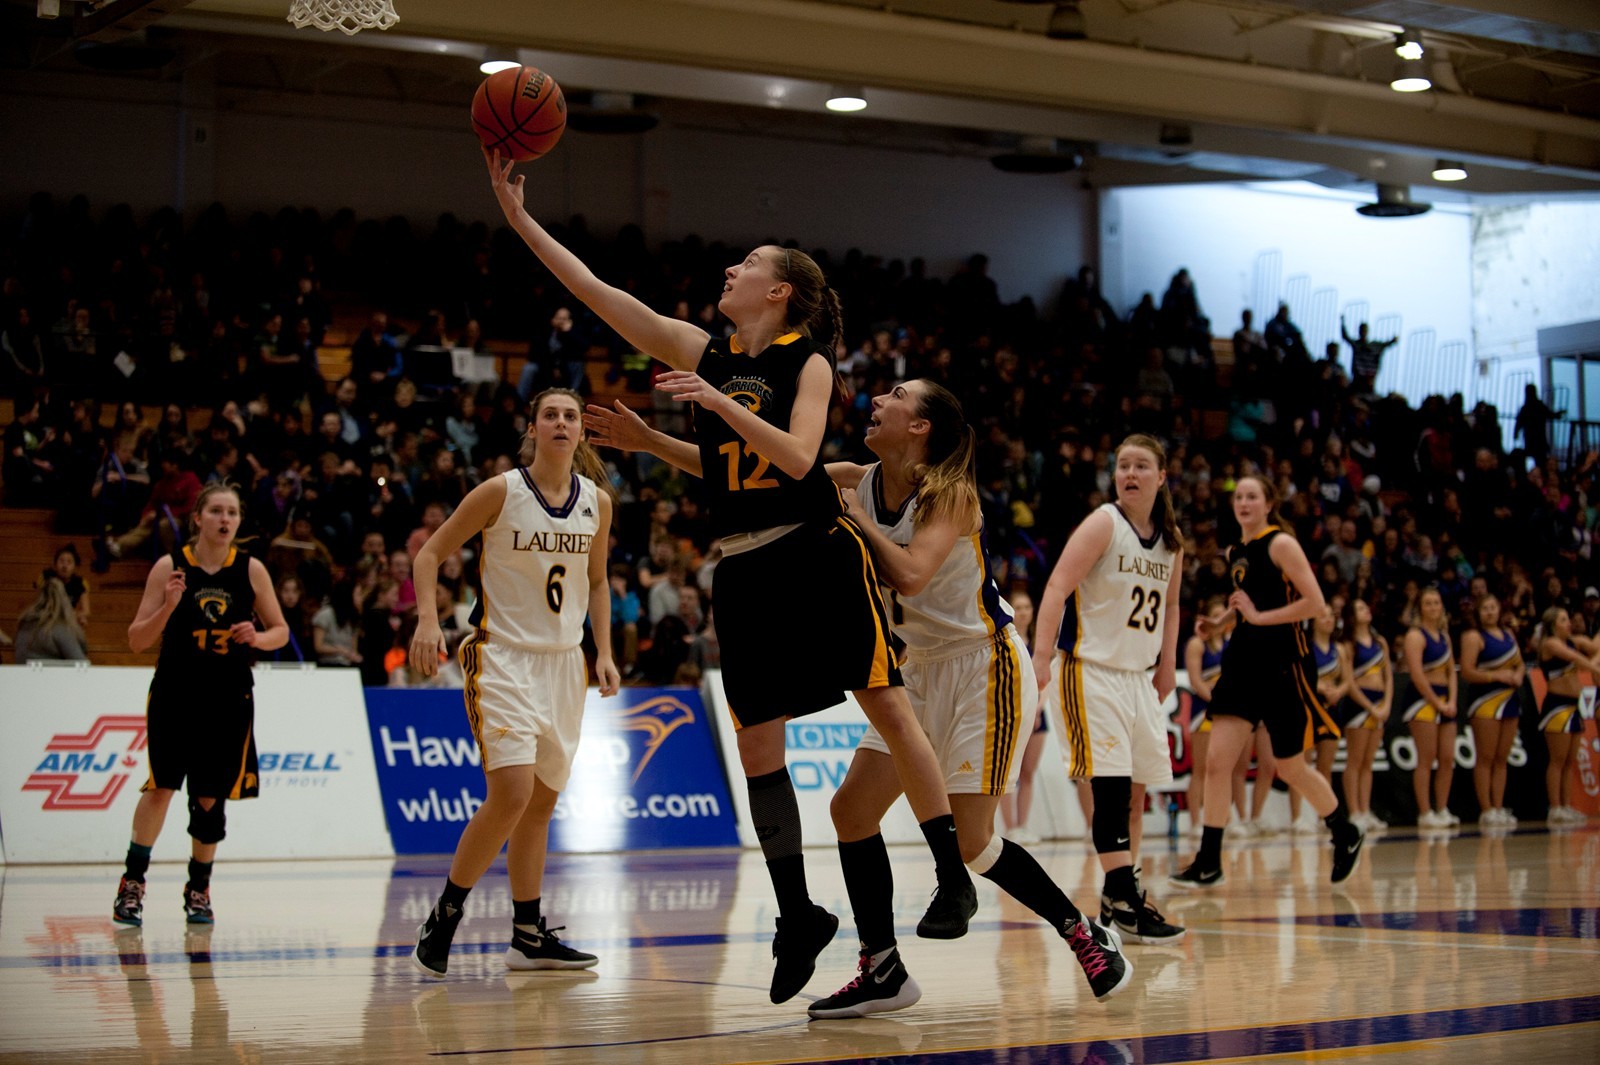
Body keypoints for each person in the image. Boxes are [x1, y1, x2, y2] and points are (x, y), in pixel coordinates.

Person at [513, 150, 977, 1005]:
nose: (730, 269)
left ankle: (952, 874)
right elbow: (603, 298)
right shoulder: (708, 351)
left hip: (815, 552)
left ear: (780, 293)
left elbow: (798, 458)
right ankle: (798, 912)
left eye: (748, 264)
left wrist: (720, 404)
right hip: (745, 570)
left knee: (888, 704)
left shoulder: (807, 364)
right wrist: (519, 218)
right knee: (759, 743)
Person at [800, 380, 1130, 1018]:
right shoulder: (859, 476)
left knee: (975, 841)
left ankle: (1085, 933)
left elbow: (911, 573)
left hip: (985, 667)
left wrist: (853, 517)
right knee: (851, 812)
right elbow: (768, 473)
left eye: (894, 394)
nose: (876, 399)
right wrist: (652, 442)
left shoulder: (951, 493)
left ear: (920, 426)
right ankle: (882, 968)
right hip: (916, 670)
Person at [408, 388, 620, 979]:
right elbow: (429, 555)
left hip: (563, 665)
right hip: (500, 656)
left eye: (570, 416)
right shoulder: (501, 491)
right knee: (512, 794)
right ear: (533, 428)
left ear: (581, 432)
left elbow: (597, 582)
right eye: (549, 414)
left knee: (542, 803)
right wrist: (429, 620)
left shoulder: (597, 503)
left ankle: (528, 934)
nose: (560, 423)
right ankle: (446, 913)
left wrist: (602, 650)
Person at [1170, 474, 1363, 889]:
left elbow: (1315, 604)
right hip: (1241, 663)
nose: (1243, 502)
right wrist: (1220, 622)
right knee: (1217, 763)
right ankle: (1209, 860)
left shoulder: (1281, 544)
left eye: (1252, 496)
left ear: (1268, 503)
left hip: (1284, 665)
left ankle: (1343, 830)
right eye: (1238, 496)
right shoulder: (1236, 549)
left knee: (1291, 767)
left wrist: (1258, 618)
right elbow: (1247, 604)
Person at [112, 483, 290, 928]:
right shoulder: (169, 568)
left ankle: (199, 889)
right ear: (198, 518)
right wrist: (168, 607)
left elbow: (281, 631)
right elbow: (136, 641)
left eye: (232, 512)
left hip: (228, 698)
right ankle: (133, 883)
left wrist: (258, 637)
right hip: (175, 693)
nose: (225, 519)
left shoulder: (251, 570)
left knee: (209, 797)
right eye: (216, 511)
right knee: (161, 788)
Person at [1034, 434, 1186, 944]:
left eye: (1142, 465)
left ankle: (1118, 895)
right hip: (1090, 669)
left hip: (1137, 677)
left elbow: (1172, 606)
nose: (1130, 473)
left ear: (1161, 476)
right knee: (1113, 791)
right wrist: (1040, 657)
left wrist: (1168, 662)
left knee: (1137, 792)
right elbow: (1056, 585)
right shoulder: (1104, 522)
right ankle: (1126, 898)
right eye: (1123, 465)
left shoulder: (1171, 541)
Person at [1460, 594, 1524, 828]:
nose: (1489, 612)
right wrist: (1496, 675)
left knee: (1501, 758)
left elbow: (1520, 663)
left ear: (1499, 610)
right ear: (1478, 612)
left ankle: (1498, 806)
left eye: (1493, 607)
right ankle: (1486, 809)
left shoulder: (1508, 635)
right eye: (1484, 608)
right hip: (1485, 700)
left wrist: (1517, 675)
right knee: (1486, 757)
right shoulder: (1473, 636)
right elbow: (1467, 671)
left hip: (1509, 699)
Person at [1533, 606, 1596, 826]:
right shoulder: (1550, 644)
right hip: (1556, 707)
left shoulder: (1573, 641)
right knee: (1558, 760)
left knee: (1570, 761)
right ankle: (1556, 807)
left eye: (1568, 619)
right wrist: (1596, 668)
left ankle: (1566, 805)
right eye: (1563, 620)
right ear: (1552, 625)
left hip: (1574, 705)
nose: (1568, 623)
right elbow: (1576, 658)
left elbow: (1593, 646)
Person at [1402, 587, 1459, 829]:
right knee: (1426, 758)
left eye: (1436, 602)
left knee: (1447, 758)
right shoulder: (1415, 635)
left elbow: (1451, 672)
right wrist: (1437, 703)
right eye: (1428, 603)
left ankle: (1442, 808)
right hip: (1422, 700)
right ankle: (1425, 813)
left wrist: (1452, 701)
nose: (1433, 607)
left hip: (1446, 699)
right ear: (1420, 608)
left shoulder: (1445, 636)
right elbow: (1416, 674)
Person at [1338, 598, 1392, 832]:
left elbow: (1388, 676)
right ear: (1351, 615)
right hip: (1359, 704)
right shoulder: (1349, 644)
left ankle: (1366, 809)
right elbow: (1349, 682)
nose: (1366, 609)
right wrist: (1370, 707)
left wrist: (1387, 703)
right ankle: (1354, 811)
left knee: (1368, 762)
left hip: (1380, 702)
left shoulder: (1380, 643)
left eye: (1365, 606)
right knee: (1355, 760)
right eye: (1360, 607)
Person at [998, 589, 1046, 843]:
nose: (1024, 612)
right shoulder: (1004, 643)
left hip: (1038, 715)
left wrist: (1037, 707)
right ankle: (1010, 828)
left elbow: (1048, 680)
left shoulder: (1041, 643)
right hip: (1011, 712)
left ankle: (1023, 825)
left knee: (1028, 772)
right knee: (1008, 773)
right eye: (1019, 607)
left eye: (1027, 606)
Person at [1182, 594, 1232, 835]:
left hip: (1226, 712)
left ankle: (1222, 819)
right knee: (1200, 769)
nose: (1219, 621)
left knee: (1222, 769)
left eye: (1223, 616)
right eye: (1215, 616)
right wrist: (1217, 702)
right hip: (1203, 711)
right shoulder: (1196, 644)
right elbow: (1195, 680)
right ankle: (1194, 822)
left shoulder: (1231, 642)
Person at [14, 578, 89, 663]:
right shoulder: (58, 628)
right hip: (50, 675)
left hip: (22, 674)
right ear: (64, 600)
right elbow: (81, 664)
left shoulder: (24, 624)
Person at [1341, 317, 1398, 394]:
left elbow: (1386, 344)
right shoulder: (1357, 344)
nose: (1363, 332)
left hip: (1369, 380)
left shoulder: (1375, 346)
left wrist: (1393, 341)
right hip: (1358, 379)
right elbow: (1346, 337)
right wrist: (1342, 323)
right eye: (1362, 330)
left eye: (1364, 330)